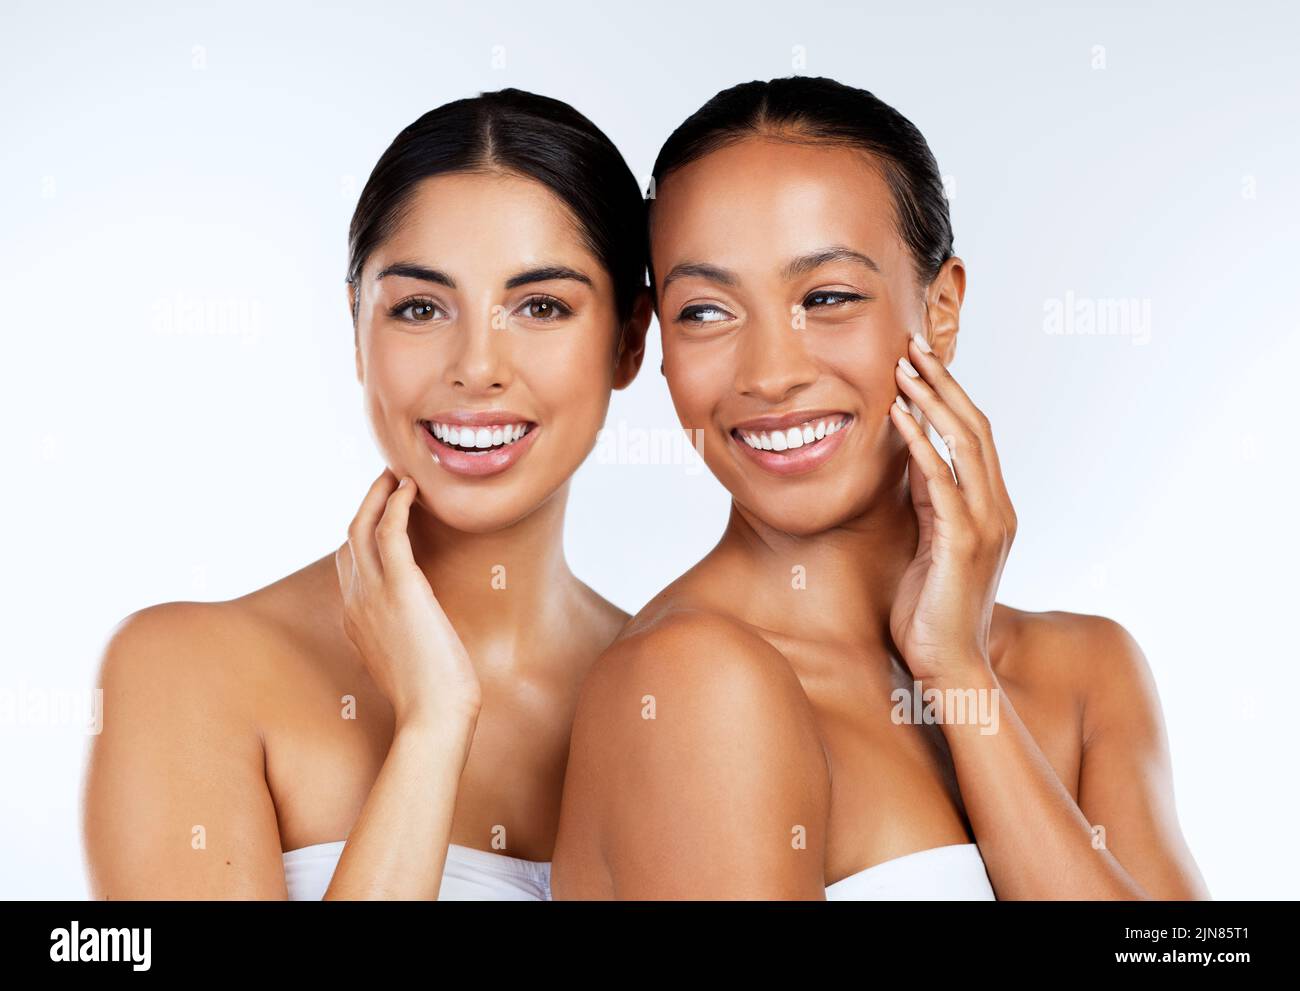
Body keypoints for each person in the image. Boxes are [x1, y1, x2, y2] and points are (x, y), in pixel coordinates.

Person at [551, 76, 1209, 900]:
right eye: (706, 311)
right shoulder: (686, 685)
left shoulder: (1088, 671)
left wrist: (960, 675)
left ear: (940, 309)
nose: (770, 375)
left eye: (826, 297)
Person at [82, 88, 651, 899]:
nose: (478, 365)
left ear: (629, 342)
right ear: (357, 328)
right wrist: (431, 724)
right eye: (420, 306)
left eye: (540, 306)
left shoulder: (684, 691)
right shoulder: (182, 668)